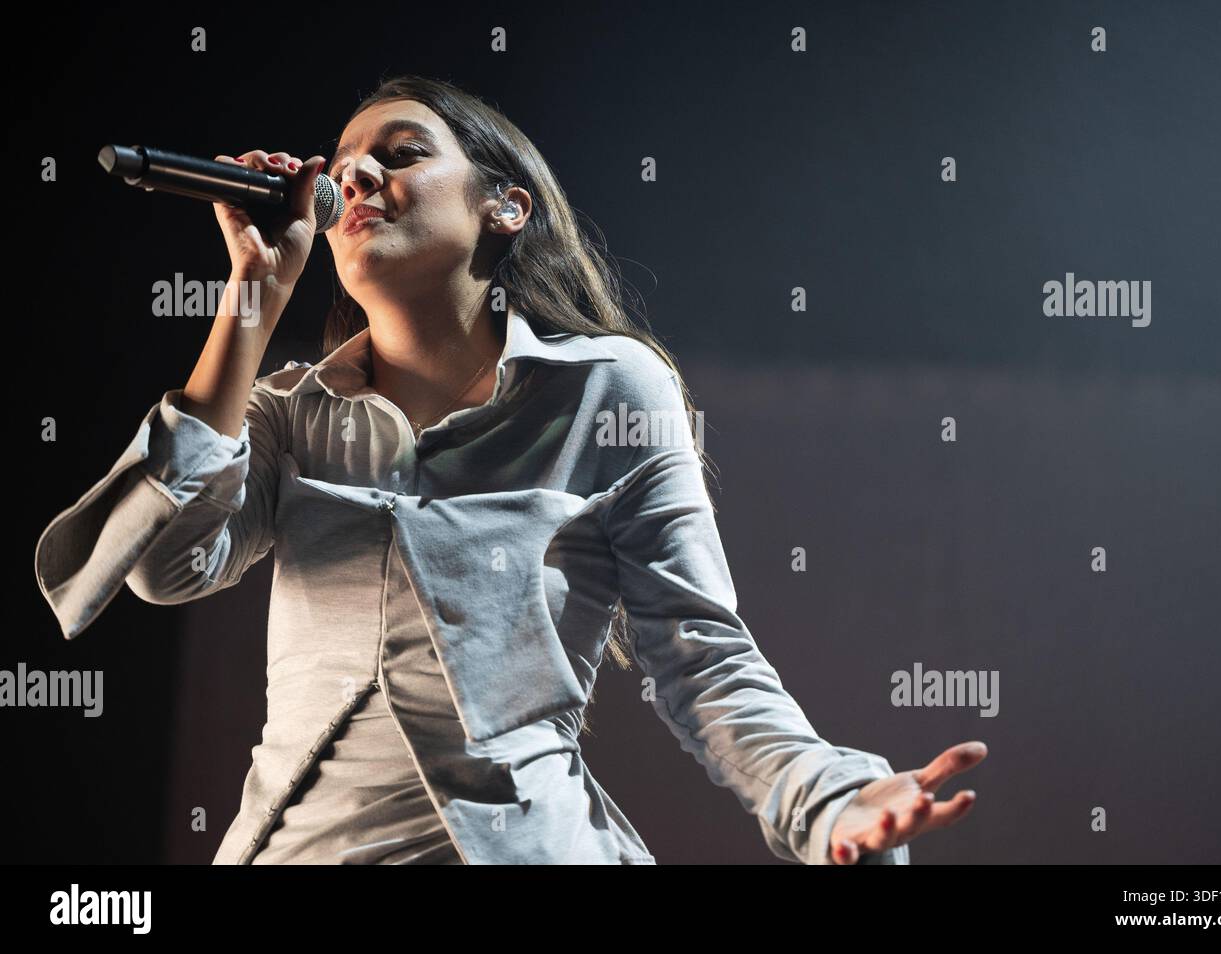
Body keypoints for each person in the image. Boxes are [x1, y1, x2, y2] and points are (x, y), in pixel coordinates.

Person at [33, 75, 985, 865]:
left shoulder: (609, 389)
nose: (354, 171)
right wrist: (251, 290)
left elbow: (701, 655)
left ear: (503, 205)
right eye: (345, 159)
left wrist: (831, 803)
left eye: (401, 152)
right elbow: (160, 568)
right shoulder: (286, 412)